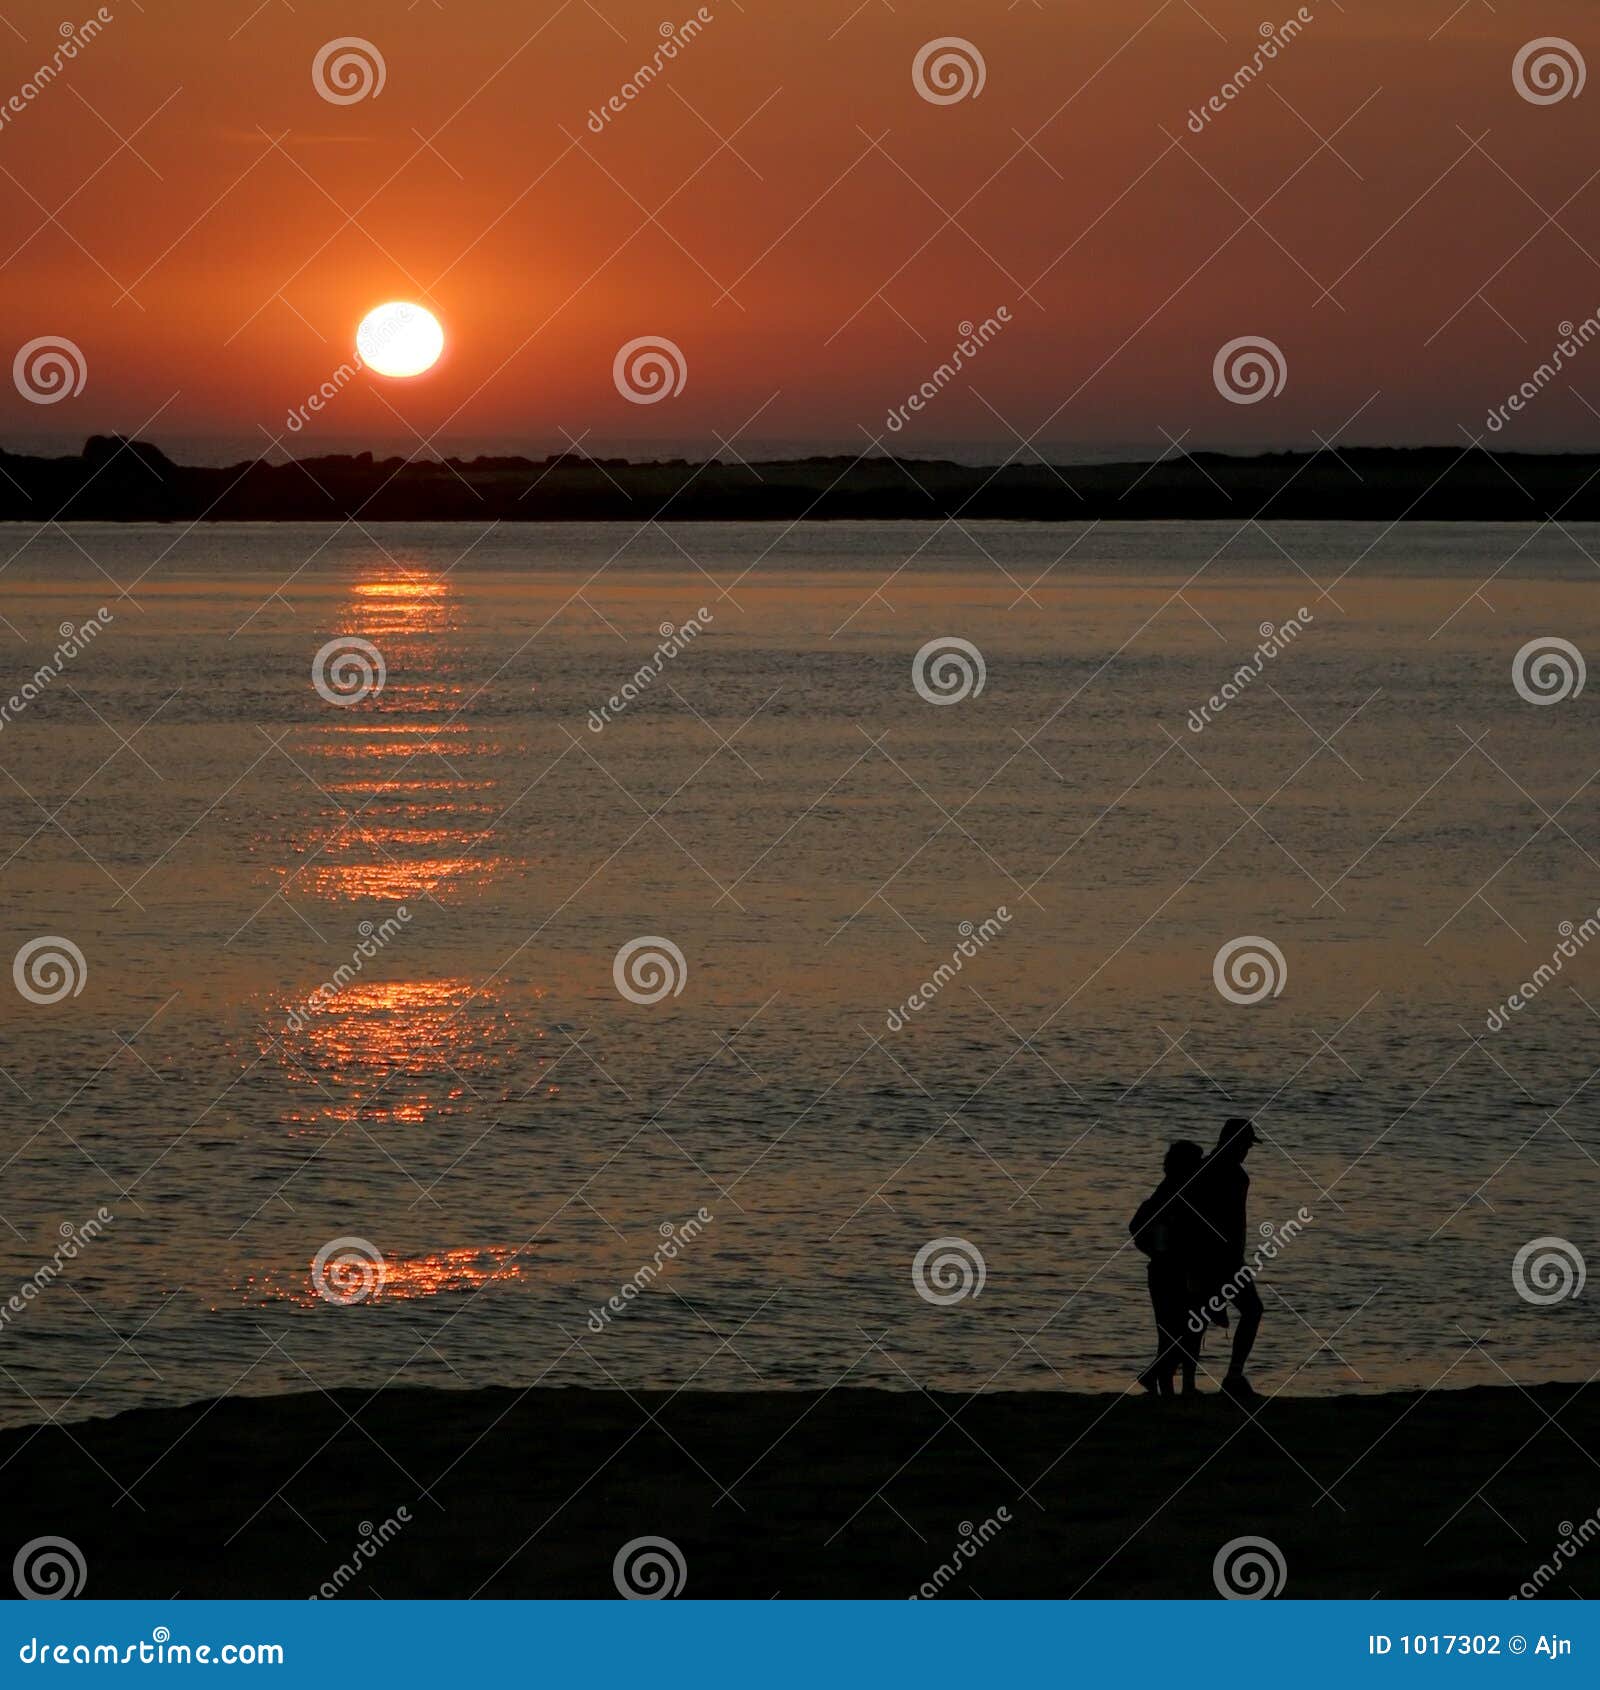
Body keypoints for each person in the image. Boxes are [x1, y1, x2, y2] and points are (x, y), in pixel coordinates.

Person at [1193, 1116, 1263, 1399]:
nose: (1247, 1150)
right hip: (1225, 1257)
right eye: (1245, 1144)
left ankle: (1187, 1380)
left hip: (1202, 1255)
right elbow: (1234, 1223)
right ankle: (1233, 1374)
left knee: (1197, 1316)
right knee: (1252, 1310)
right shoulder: (1236, 1176)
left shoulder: (1203, 1168)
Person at [1129, 1139, 1206, 1397]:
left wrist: (1153, 1251)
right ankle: (1168, 1381)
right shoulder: (1174, 1193)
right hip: (1175, 1271)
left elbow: (1137, 1227)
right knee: (1185, 1330)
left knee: (1176, 1331)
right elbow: (1137, 1226)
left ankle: (1174, 1385)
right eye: (1196, 1163)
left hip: (1167, 1269)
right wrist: (1157, 1251)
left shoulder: (1173, 1190)